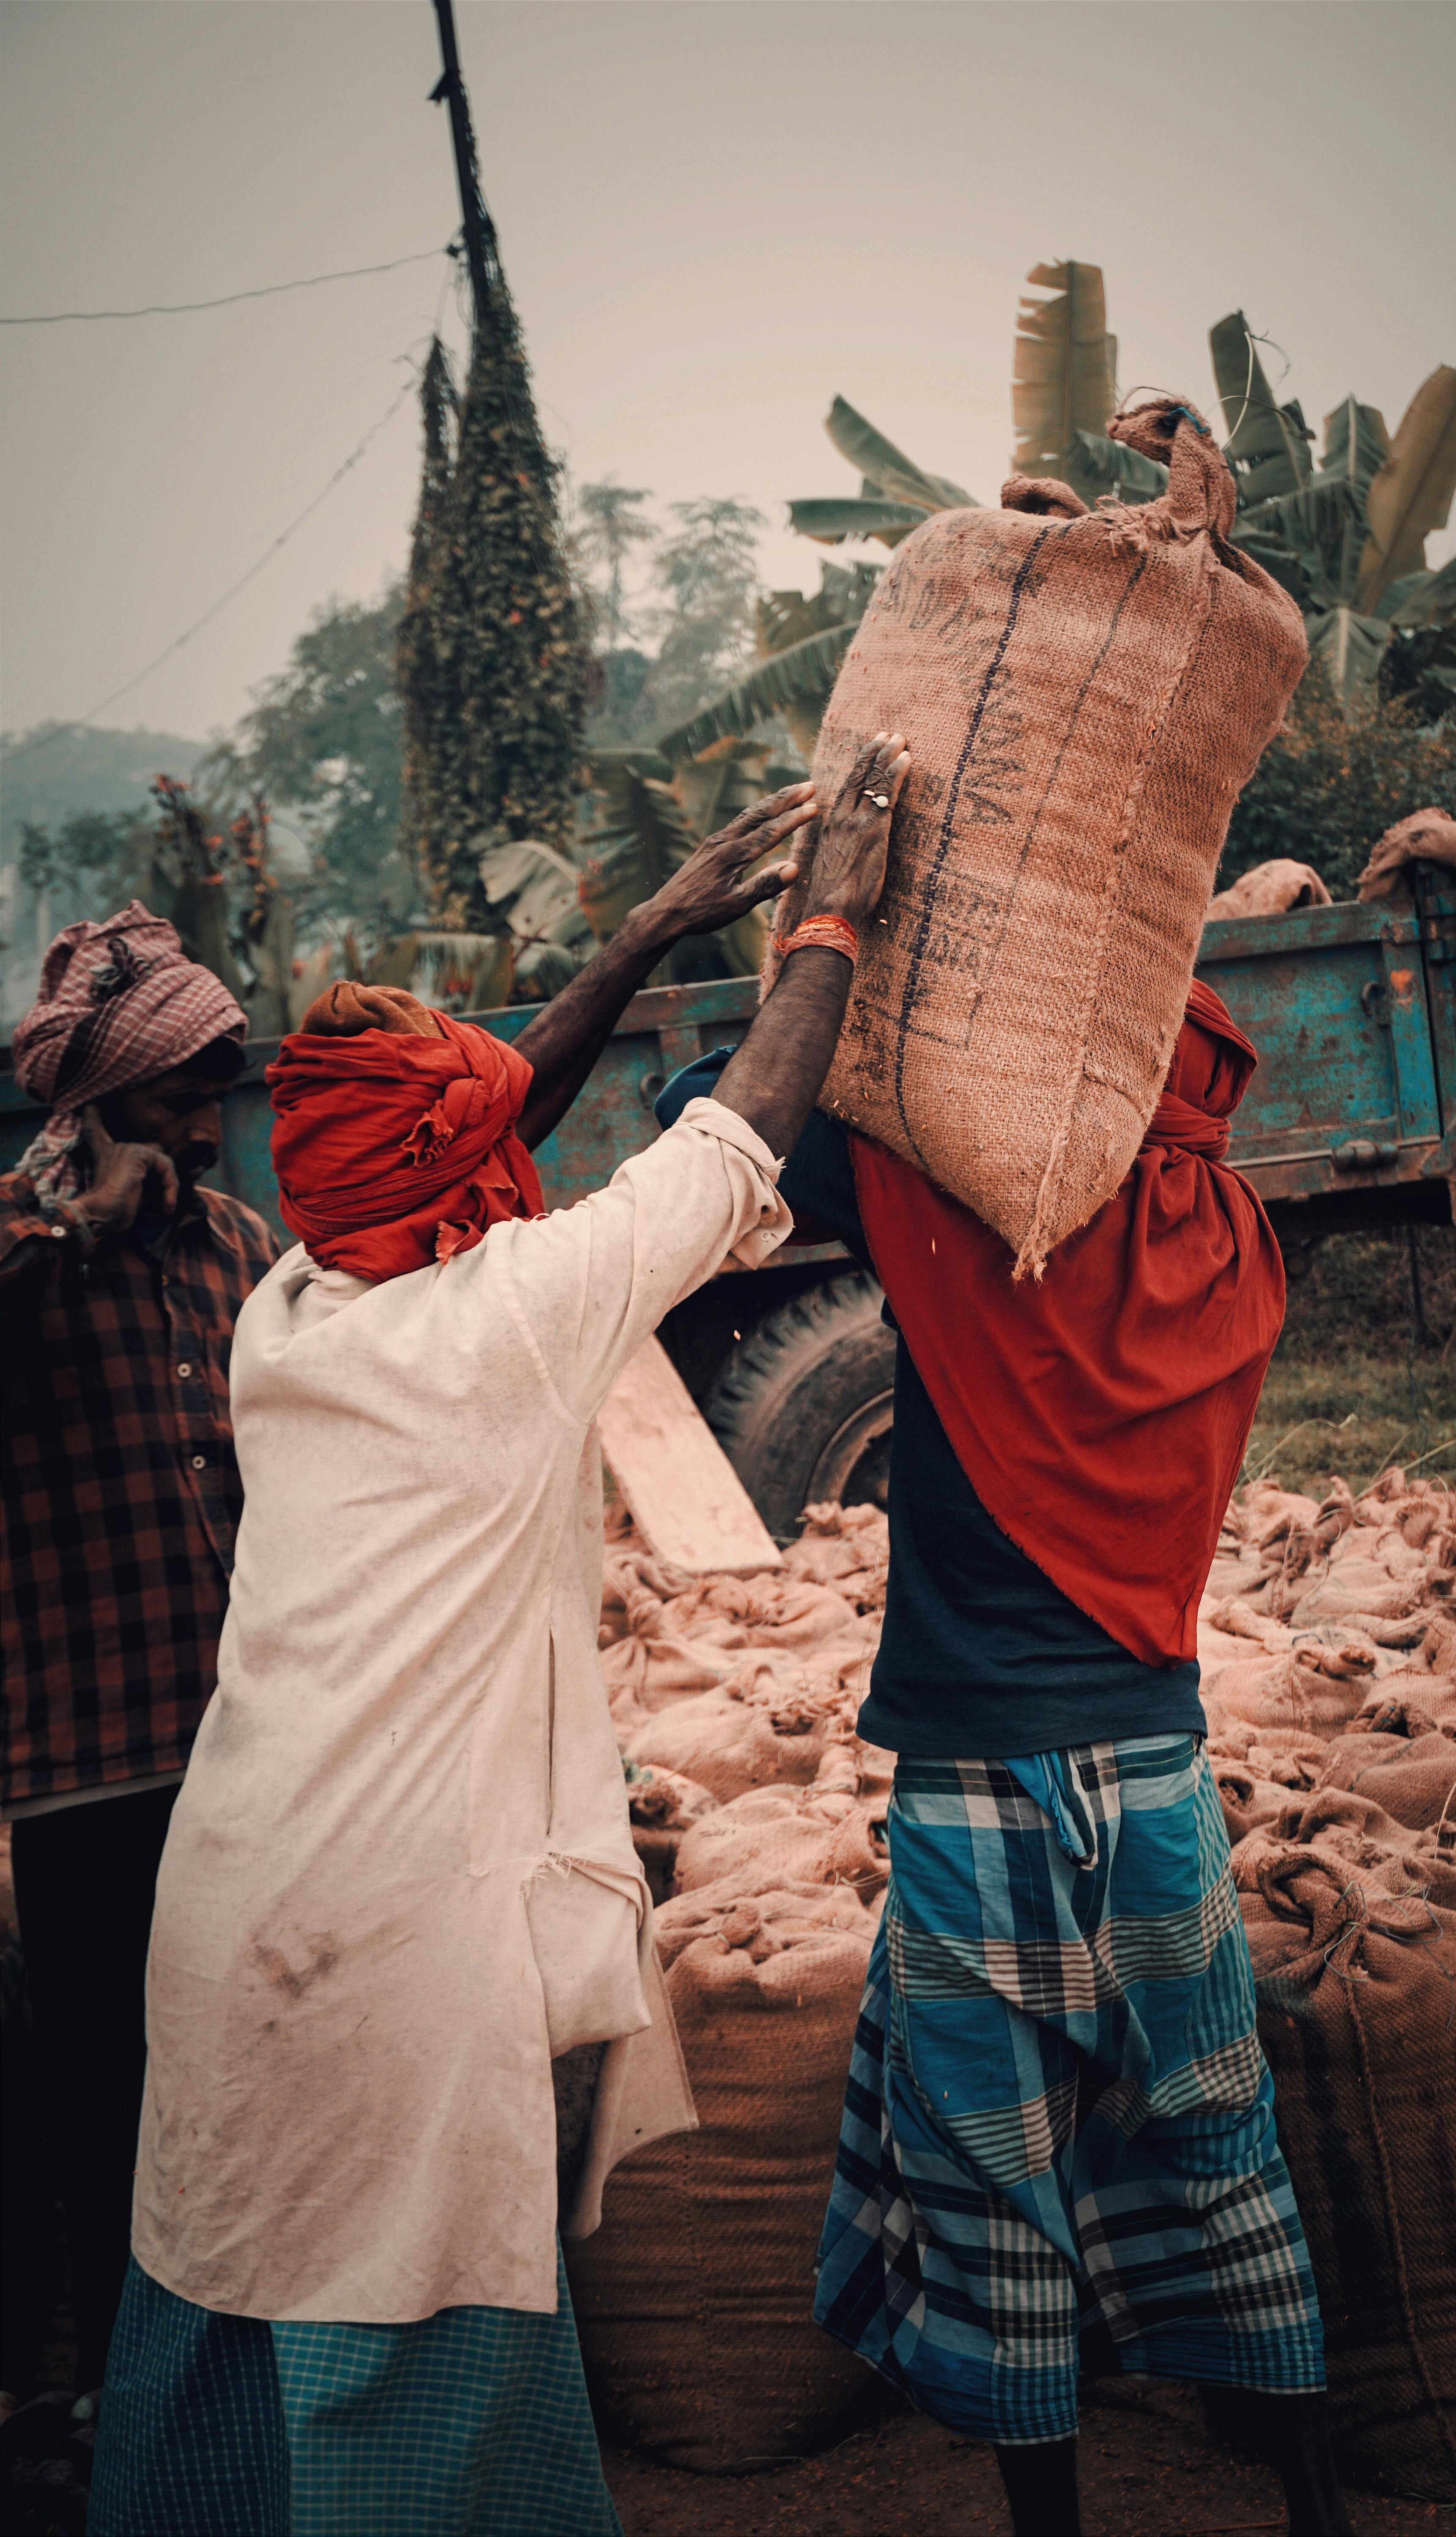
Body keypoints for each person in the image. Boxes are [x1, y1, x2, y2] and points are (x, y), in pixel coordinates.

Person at [86, 740, 911, 2537]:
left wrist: (653, 924)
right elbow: (741, 1133)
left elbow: (474, 1121)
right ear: (451, 1173)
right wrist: (830, 911)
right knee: (408, 2324)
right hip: (396, 1948)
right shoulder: (513, 1324)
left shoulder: (295, 1304)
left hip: (233, 1908)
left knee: (230, 2289)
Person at [658, 982, 1356, 2537]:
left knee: (991, 2169)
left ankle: (1052, 2521)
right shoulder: (1239, 1241)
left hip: (976, 1784)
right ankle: (1316, 2507)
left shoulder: (962, 1215)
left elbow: (713, 1110)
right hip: (1161, 1779)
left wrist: (875, 986)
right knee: (1219, 2129)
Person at [1, 904, 278, 2402]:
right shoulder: (28, 1241)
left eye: (216, 1086)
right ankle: (130, 2402)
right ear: (99, 1099)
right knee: (113, 2100)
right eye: (181, 1091)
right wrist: (71, 1224)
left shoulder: (238, 1251)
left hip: (241, 1756)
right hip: (85, 1769)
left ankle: (246, 2381)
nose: (208, 1120)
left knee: (251, 2081)